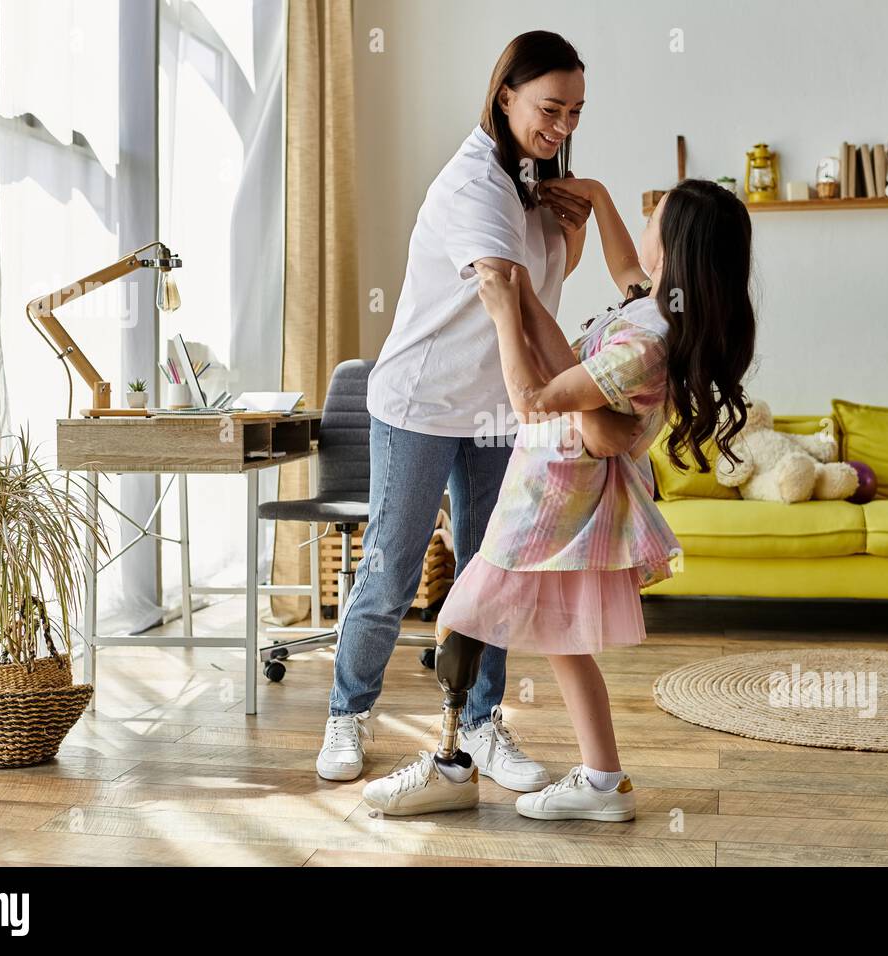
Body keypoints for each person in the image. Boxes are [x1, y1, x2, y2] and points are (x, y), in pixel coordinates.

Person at [362, 178, 758, 819]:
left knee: (458, 618)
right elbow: (626, 269)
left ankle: (449, 767)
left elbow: (534, 400)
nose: (647, 216)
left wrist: (503, 315)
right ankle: (604, 783)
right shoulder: (655, 307)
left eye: (659, 214)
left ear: (676, 245)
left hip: (550, 497)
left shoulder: (646, 341)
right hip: (562, 487)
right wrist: (597, 201)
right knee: (563, 643)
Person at [318, 32, 641, 789]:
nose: (563, 126)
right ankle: (349, 712)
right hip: (424, 402)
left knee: (491, 572)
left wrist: (575, 230)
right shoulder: (474, 184)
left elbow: (544, 283)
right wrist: (588, 391)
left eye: (576, 112)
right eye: (549, 109)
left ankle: (479, 722)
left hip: (498, 409)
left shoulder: (534, 177)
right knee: (393, 567)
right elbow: (519, 310)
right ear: (505, 97)